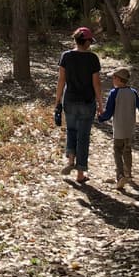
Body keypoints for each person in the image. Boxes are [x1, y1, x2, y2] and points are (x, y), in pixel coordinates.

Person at [54, 26, 103, 183]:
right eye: (90, 41)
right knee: (83, 137)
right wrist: (100, 103)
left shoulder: (66, 56)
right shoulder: (92, 58)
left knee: (71, 130)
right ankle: (80, 173)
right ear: (86, 41)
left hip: (69, 100)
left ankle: (70, 160)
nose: (90, 44)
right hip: (87, 102)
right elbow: (96, 84)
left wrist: (57, 100)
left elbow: (61, 80)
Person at [97, 67, 139, 191]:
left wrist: (100, 118)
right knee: (127, 150)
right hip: (130, 128)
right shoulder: (133, 92)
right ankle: (128, 173)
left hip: (119, 128)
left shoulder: (114, 93)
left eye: (113, 78)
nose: (112, 80)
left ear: (118, 79)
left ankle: (120, 175)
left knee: (117, 150)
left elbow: (109, 113)